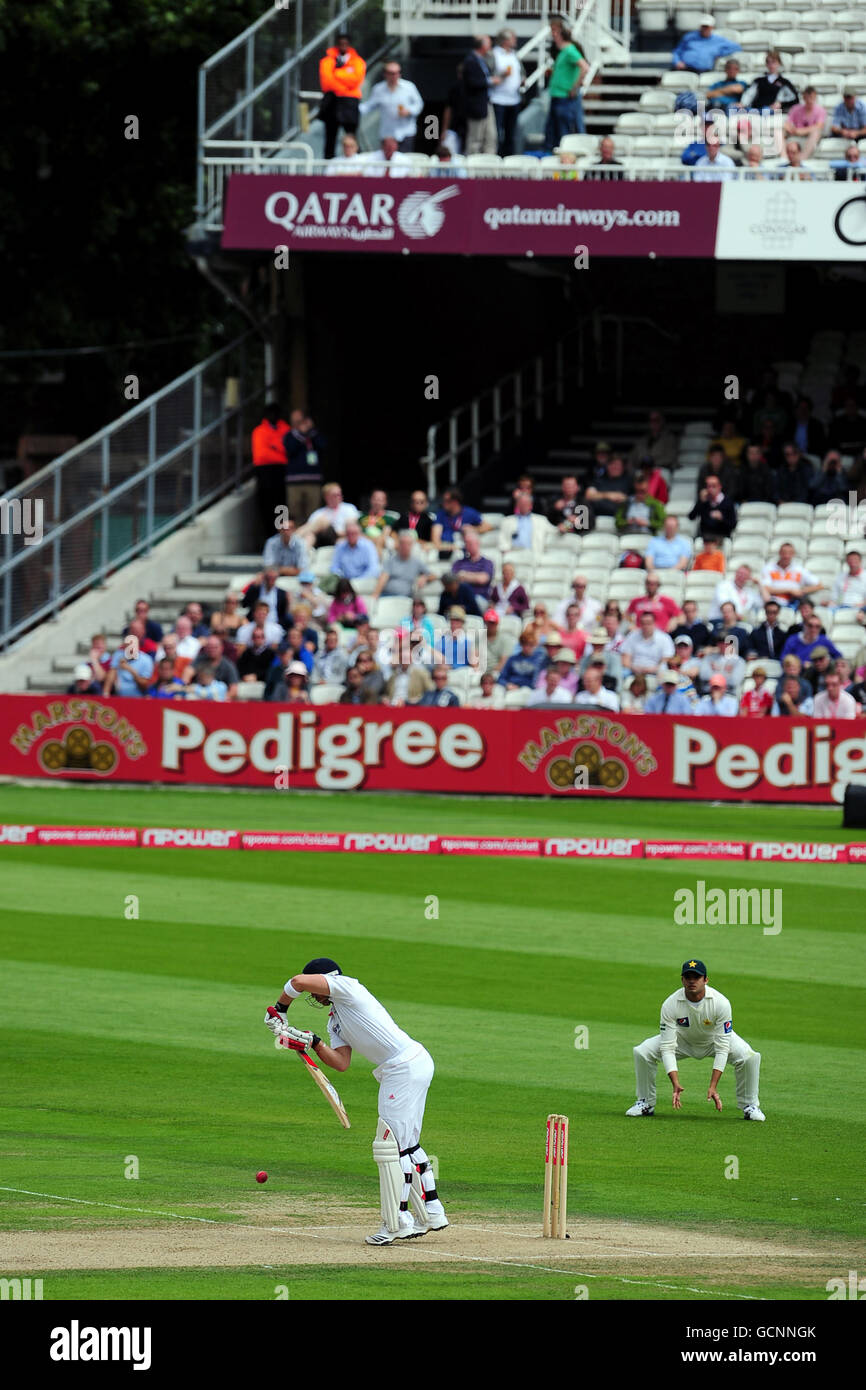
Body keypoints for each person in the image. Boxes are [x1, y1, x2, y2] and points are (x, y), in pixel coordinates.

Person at [264, 958, 446, 1245]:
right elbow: (341, 1063)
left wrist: (281, 1010)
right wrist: (313, 1042)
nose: (313, 997)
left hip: (403, 1068)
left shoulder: (347, 987)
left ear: (326, 979)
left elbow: (298, 982)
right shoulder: (336, 1018)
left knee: (389, 1147)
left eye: (317, 990)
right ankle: (432, 1213)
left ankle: (398, 1222)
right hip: (408, 1065)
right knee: (406, 1144)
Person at [627, 960, 764, 1121]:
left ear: (705, 980)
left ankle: (750, 1105)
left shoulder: (721, 1003)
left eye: (697, 977)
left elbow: (722, 1047)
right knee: (642, 1052)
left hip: (714, 1041)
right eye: (688, 977)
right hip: (682, 1041)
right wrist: (675, 1083)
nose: (692, 981)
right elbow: (668, 1046)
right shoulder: (670, 1004)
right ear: (682, 980)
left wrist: (713, 1086)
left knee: (749, 1057)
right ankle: (645, 1102)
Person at [319, 33, 366, 161]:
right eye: (341, 43)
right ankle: (328, 168)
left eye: (345, 43)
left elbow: (356, 80)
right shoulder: (328, 60)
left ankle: (357, 166)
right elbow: (326, 81)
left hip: (349, 103)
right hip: (332, 102)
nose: (343, 46)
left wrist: (337, 74)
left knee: (351, 136)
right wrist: (343, 87)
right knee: (330, 138)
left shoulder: (357, 61)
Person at [360, 60, 423, 153]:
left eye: (397, 73)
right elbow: (369, 105)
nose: (395, 76)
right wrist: (353, 109)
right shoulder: (378, 89)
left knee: (404, 162)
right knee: (387, 163)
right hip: (387, 134)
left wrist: (409, 111)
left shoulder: (409, 87)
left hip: (406, 132)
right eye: (392, 73)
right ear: (385, 74)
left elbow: (419, 104)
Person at [544, 23, 588, 150]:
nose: (553, 36)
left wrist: (575, 86)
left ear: (561, 36)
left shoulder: (570, 50)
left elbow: (584, 67)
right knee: (554, 131)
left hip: (565, 97)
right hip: (558, 95)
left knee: (564, 132)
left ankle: (566, 158)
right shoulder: (563, 51)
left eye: (555, 33)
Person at [251, 403, 290, 535]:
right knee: (266, 504)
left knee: (281, 504)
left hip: (281, 471)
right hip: (265, 472)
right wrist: (279, 449)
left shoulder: (285, 429)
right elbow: (261, 455)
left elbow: (289, 449)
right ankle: (269, 535)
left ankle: (283, 534)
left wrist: (273, 446)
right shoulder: (259, 431)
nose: (273, 416)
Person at [284, 411, 325, 524]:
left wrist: (311, 432)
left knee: (314, 514)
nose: (298, 424)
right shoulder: (289, 436)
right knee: (295, 514)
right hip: (294, 482)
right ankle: (296, 539)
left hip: (313, 481)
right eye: (295, 422)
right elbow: (290, 450)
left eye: (300, 421)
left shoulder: (315, 435)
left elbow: (323, 446)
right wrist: (301, 434)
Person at [462, 35, 498, 155]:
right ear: (482, 46)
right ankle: (472, 167)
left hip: (486, 103)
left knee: (491, 137)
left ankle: (489, 166)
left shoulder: (482, 59)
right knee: (475, 139)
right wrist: (491, 81)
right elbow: (472, 82)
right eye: (488, 44)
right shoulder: (470, 61)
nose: (490, 47)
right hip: (476, 106)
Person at [490, 29, 523, 156]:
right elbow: (488, 75)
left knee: (511, 133)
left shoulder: (514, 54)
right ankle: (498, 157)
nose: (515, 41)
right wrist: (502, 75)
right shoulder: (494, 54)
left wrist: (522, 80)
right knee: (497, 133)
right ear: (505, 41)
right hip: (498, 99)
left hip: (514, 99)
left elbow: (520, 72)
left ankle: (510, 157)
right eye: (512, 39)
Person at [672, 16, 741, 74]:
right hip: (685, 68)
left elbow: (736, 47)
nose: (704, 29)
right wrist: (677, 62)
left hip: (703, 71)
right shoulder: (689, 37)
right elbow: (677, 51)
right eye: (703, 26)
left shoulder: (718, 40)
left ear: (712, 27)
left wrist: (720, 53)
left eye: (707, 26)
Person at [431, 487, 488, 559]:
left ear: (455, 501)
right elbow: (435, 537)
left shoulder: (469, 512)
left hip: (465, 549)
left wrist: (473, 529)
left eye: (447, 501)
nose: (443, 503)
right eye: (443, 500)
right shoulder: (441, 514)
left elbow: (487, 526)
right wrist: (443, 546)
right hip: (447, 550)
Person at [299, 482, 359, 548]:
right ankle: (294, 541)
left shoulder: (349, 508)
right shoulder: (319, 512)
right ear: (326, 497)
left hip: (339, 536)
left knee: (323, 522)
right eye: (335, 495)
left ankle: (293, 538)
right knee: (309, 535)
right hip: (320, 539)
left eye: (339, 494)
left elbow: (352, 530)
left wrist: (335, 531)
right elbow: (309, 528)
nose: (338, 497)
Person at [373, 532, 430, 601]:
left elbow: (433, 575)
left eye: (408, 544)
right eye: (402, 543)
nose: (405, 546)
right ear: (398, 545)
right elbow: (383, 579)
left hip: (406, 597)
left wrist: (425, 577)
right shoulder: (390, 560)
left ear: (412, 545)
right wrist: (375, 595)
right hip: (387, 595)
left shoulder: (416, 562)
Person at [759, 542, 819, 608]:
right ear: (779, 553)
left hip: (794, 602)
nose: (786, 556)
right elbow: (766, 588)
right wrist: (790, 590)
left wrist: (801, 591)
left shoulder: (799, 569)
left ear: (793, 554)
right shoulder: (769, 568)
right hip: (774, 603)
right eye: (784, 553)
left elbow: (819, 585)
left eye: (789, 553)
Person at [741, 51, 799, 116]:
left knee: (765, 110)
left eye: (773, 62)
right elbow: (749, 94)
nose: (771, 65)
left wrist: (781, 103)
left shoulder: (784, 82)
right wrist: (743, 103)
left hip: (770, 110)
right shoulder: (758, 80)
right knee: (733, 109)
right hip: (755, 109)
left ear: (779, 63)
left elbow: (795, 99)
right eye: (768, 62)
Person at [621, 612, 675, 676]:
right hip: (633, 671)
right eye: (643, 623)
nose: (646, 626)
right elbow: (625, 658)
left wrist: (654, 669)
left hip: (656, 673)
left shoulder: (664, 638)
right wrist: (633, 668)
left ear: (654, 623)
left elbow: (667, 660)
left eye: (648, 623)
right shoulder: (632, 636)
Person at [500, 490, 551, 555]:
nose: (524, 505)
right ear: (517, 504)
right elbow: (502, 539)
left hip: (534, 554)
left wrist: (567, 526)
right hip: (513, 553)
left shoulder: (541, 520)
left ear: (531, 505)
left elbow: (558, 530)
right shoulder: (507, 521)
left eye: (526, 502)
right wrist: (505, 551)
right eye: (521, 503)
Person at [689, 474, 737, 540]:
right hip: (705, 539)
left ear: (719, 487)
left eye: (714, 486)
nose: (711, 489)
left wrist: (722, 518)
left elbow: (733, 524)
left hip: (722, 537)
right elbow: (691, 517)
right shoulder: (703, 501)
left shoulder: (727, 502)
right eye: (708, 486)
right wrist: (700, 502)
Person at [784, 87, 827, 160]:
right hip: (796, 134)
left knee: (816, 132)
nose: (810, 100)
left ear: (815, 98)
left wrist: (799, 131)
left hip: (809, 136)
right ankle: (783, 158)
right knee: (780, 131)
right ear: (804, 98)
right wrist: (793, 129)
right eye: (808, 98)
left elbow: (819, 126)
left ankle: (802, 159)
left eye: (812, 98)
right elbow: (787, 124)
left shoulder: (820, 110)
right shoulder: (795, 109)